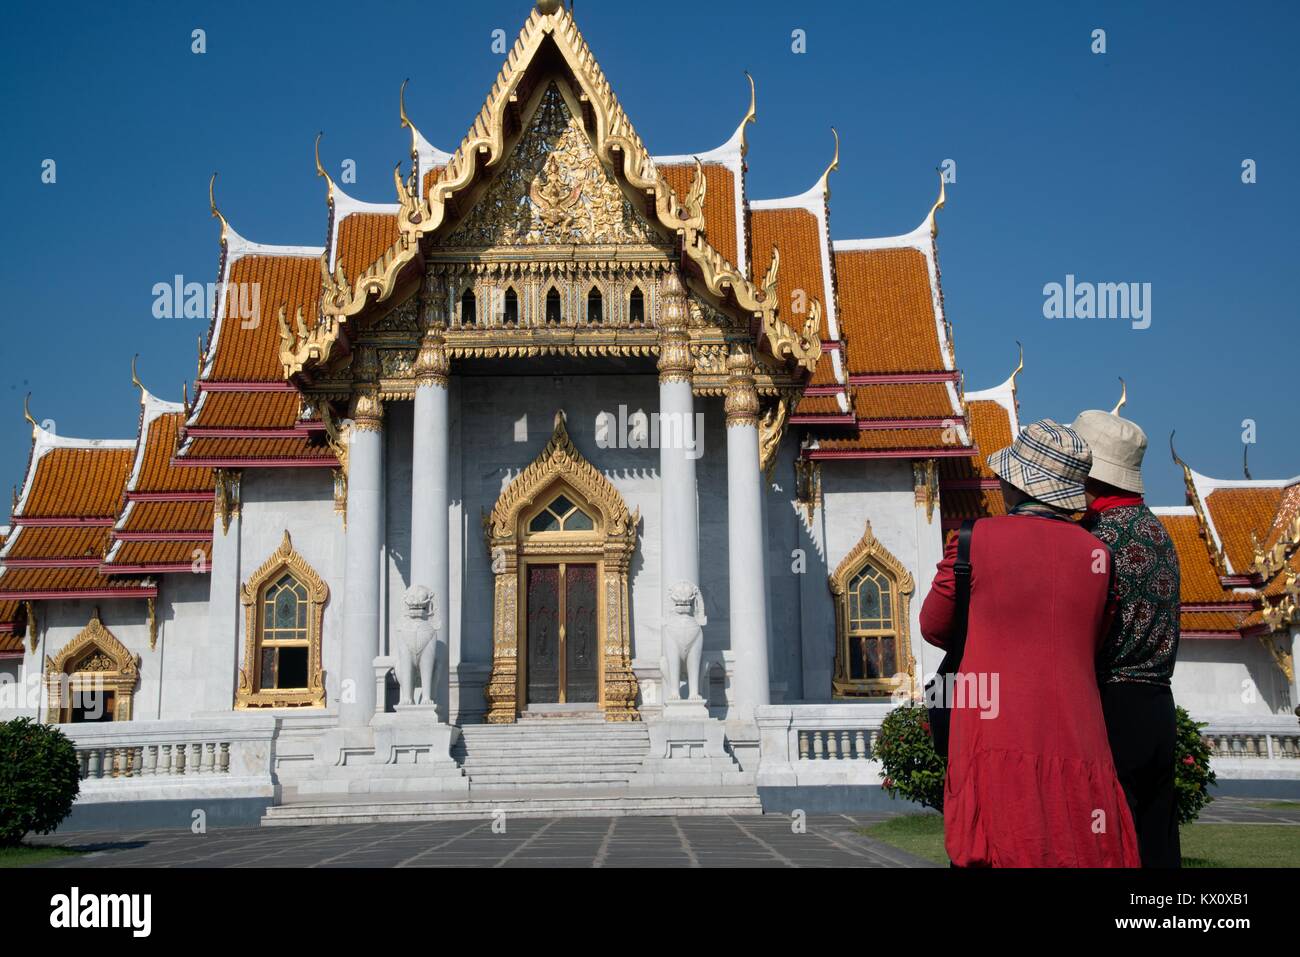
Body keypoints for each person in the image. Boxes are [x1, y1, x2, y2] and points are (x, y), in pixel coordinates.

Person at [920, 419, 1139, 867]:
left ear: (1012, 483)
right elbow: (1100, 638)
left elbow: (933, 626)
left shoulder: (972, 540)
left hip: (993, 725)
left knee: (998, 844)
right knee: (1079, 844)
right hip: (1081, 730)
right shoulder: (1098, 555)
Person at [1072, 409, 1182, 868]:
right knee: (1157, 841)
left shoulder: (1094, 540)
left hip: (1112, 703)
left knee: (1108, 842)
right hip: (1158, 704)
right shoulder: (1159, 532)